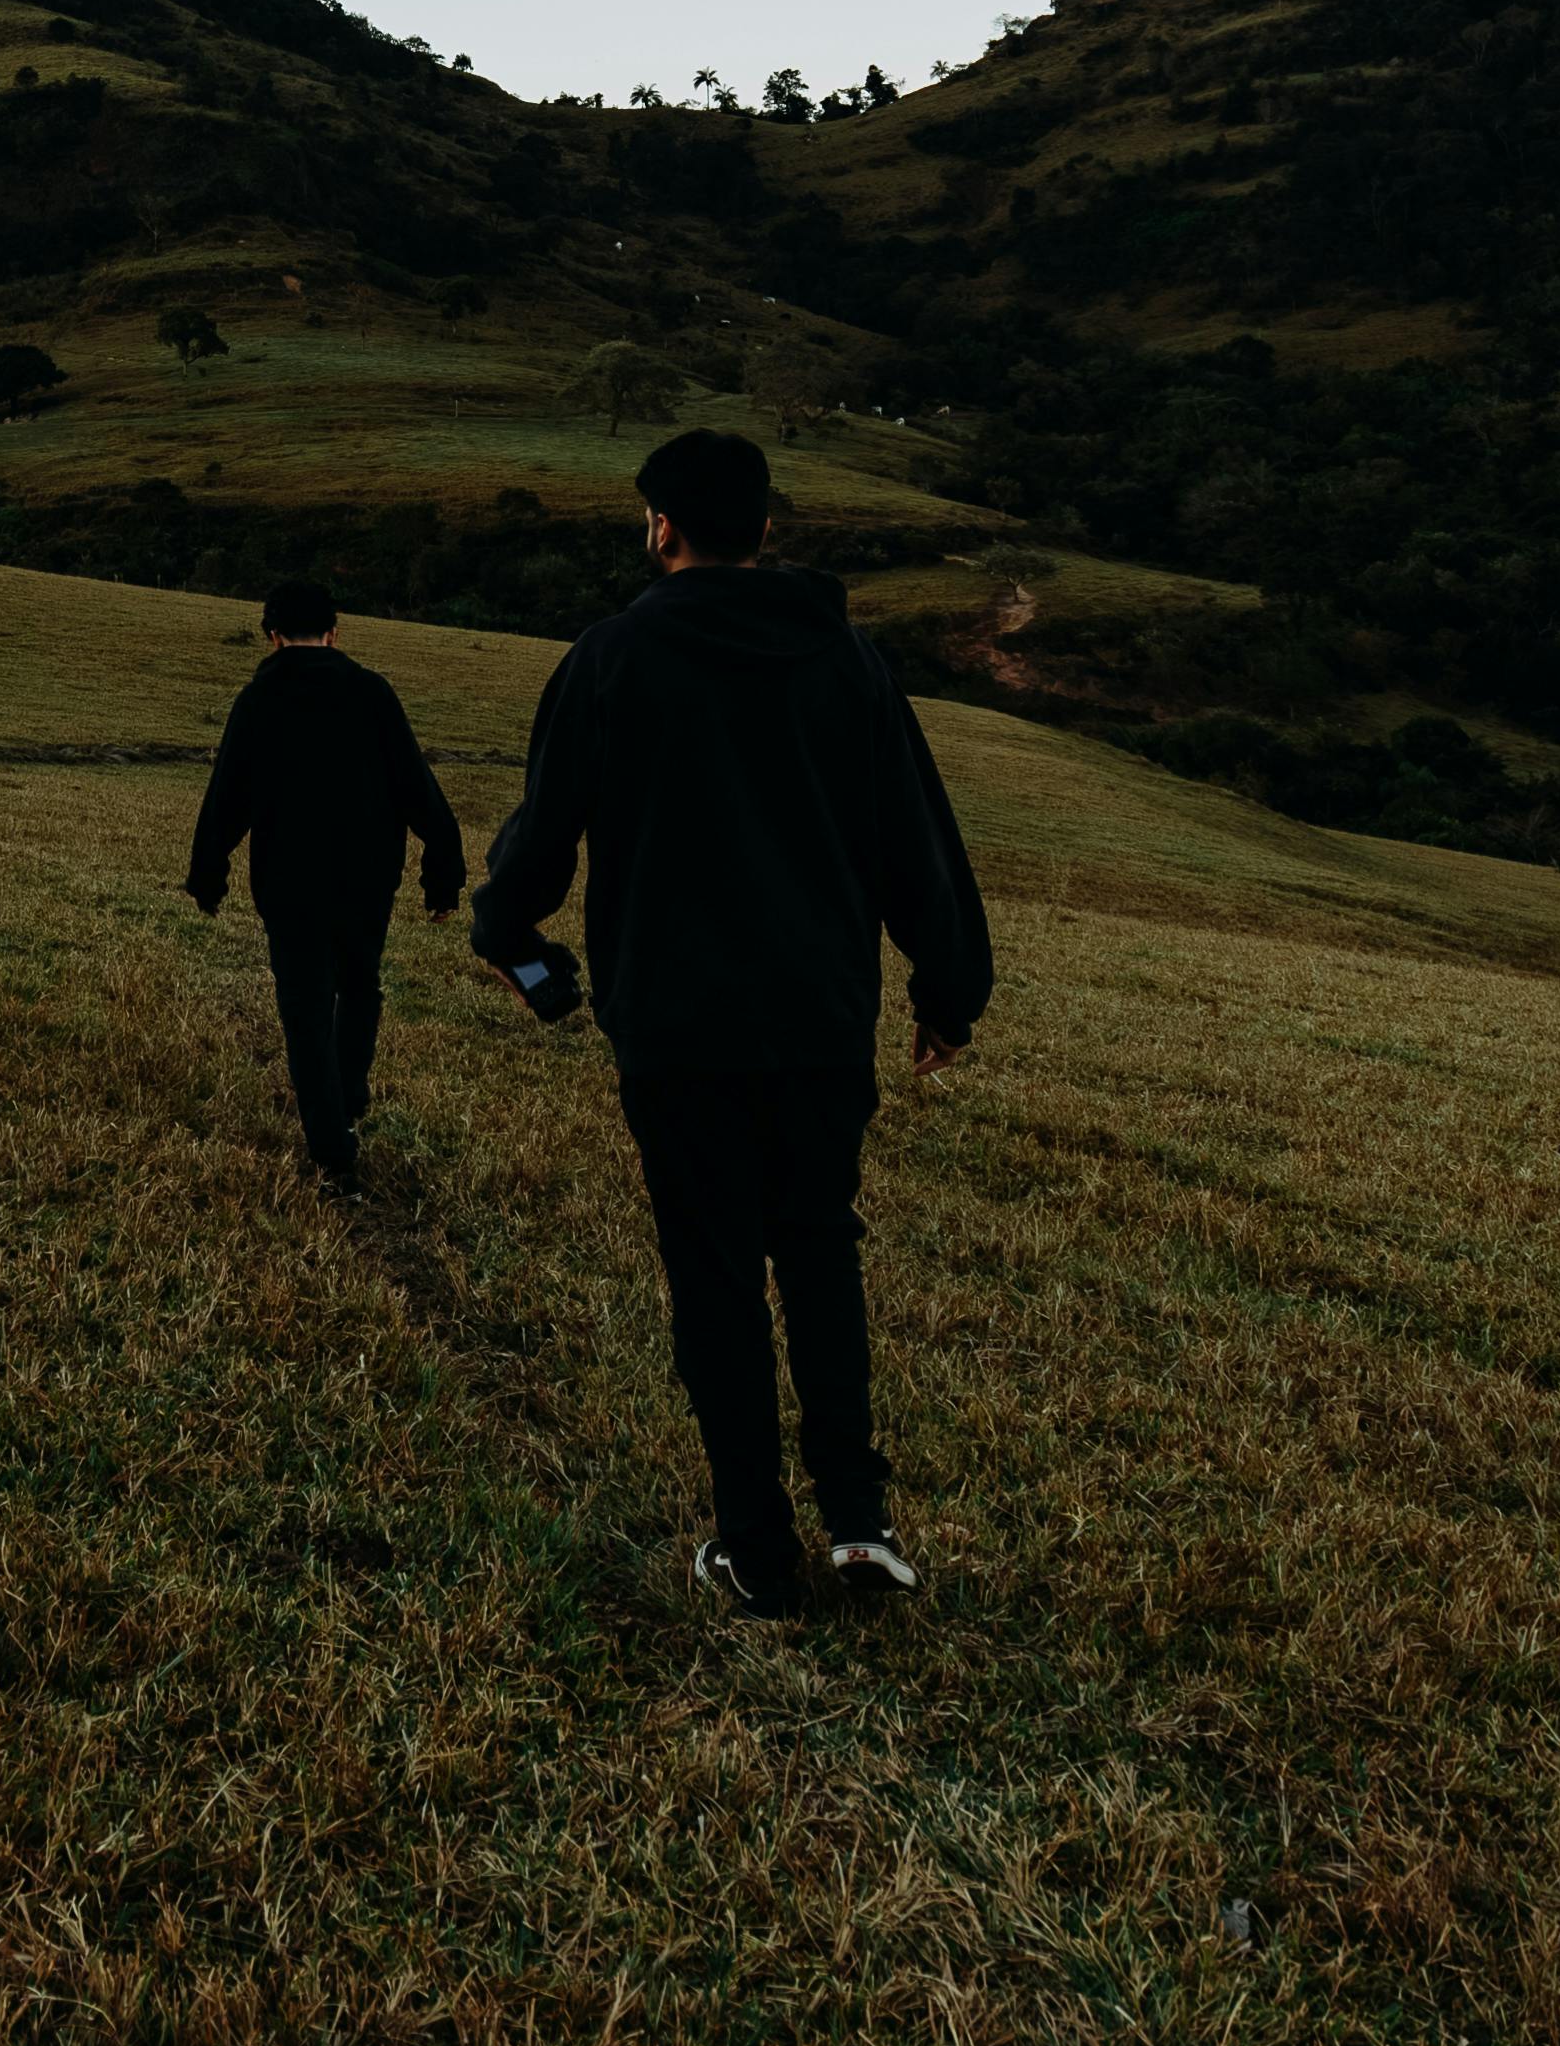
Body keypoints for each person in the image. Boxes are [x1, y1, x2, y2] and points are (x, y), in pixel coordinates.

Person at [470, 428, 991, 1616]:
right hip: (818, 1020)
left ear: (660, 526)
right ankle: (861, 1525)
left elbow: (542, 839)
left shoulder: (611, 659)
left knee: (712, 1272)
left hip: (676, 1025)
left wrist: (514, 942)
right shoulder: (851, 663)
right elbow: (918, 843)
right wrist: (947, 991)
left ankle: (756, 1545)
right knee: (818, 1250)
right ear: (769, 529)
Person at [182, 579, 464, 1194]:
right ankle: (351, 1093)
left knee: (304, 1009)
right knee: (360, 983)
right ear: (335, 633)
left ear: (272, 636)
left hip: (288, 883)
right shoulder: (373, 694)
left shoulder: (256, 701)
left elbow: (226, 797)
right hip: (367, 878)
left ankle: (333, 1149)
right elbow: (418, 787)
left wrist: (209, 876)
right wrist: (443, 873)